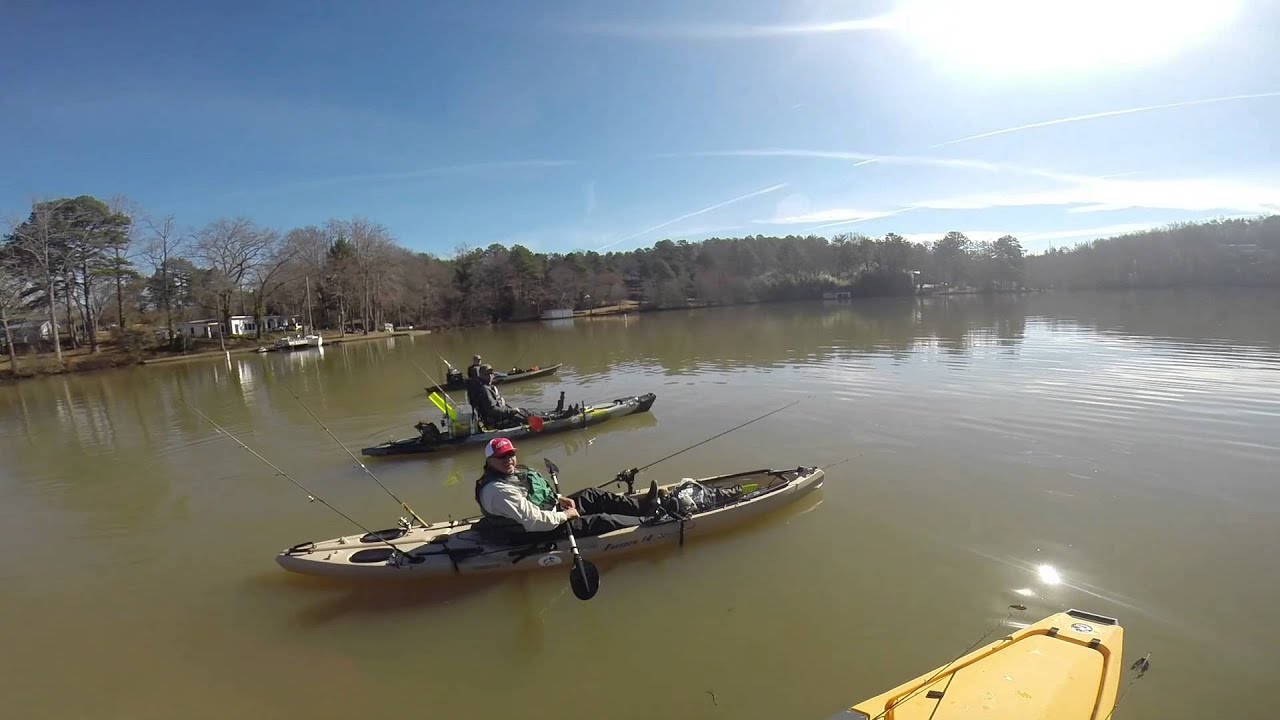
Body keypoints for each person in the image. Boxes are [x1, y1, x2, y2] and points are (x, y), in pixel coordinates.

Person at [473, 437, 658, 544]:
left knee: (592, 494)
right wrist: (566, 516)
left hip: (548, 512)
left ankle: (642, 507)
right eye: (501, 457)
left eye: (510, 454)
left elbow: (533, 493)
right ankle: (650, 521)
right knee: (601, 520)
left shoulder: (512, 472)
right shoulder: (498, 491)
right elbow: (535, 521)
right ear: (489, 461)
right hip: (535, 530)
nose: (508, 460)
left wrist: (558, 498)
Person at [471, 364, 526, 429]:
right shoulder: (484, 389)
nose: (490, 376)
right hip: (495, 420)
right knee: (525, 414)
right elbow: (492, 409)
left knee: (523, 411)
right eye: (486, 374)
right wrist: (510, 411)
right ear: (481, 375)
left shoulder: (486, 386)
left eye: (491, 374)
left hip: (498, 416)